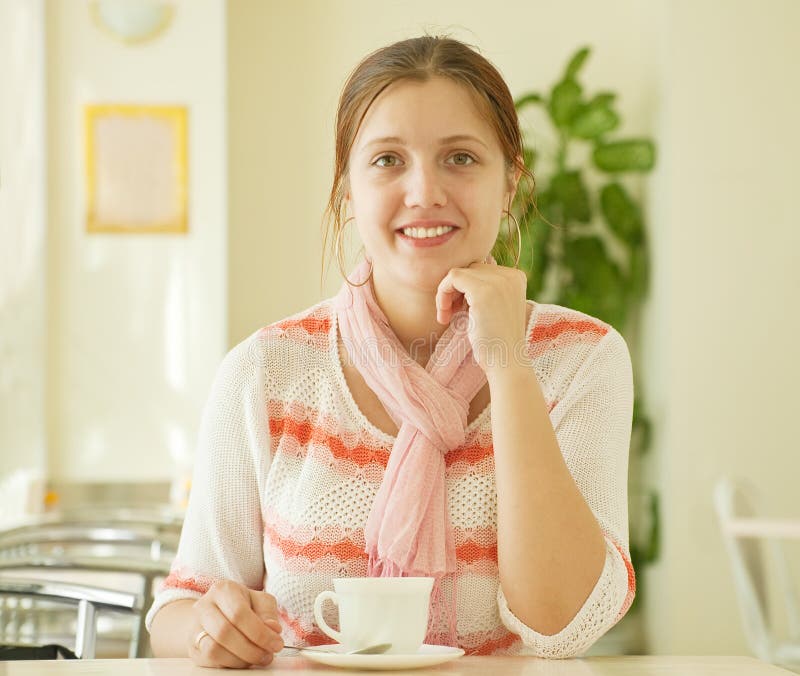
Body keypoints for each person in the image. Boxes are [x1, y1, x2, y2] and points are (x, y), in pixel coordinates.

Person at [147, 35, 636, 668]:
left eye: (460, 157)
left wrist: (509, 362)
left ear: (510, 183)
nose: (424, 191)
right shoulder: (265, 371)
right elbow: (177, 612)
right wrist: (209, 628)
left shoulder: (582, 357)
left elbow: (561, 623)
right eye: (387, 161)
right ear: (348, 190)